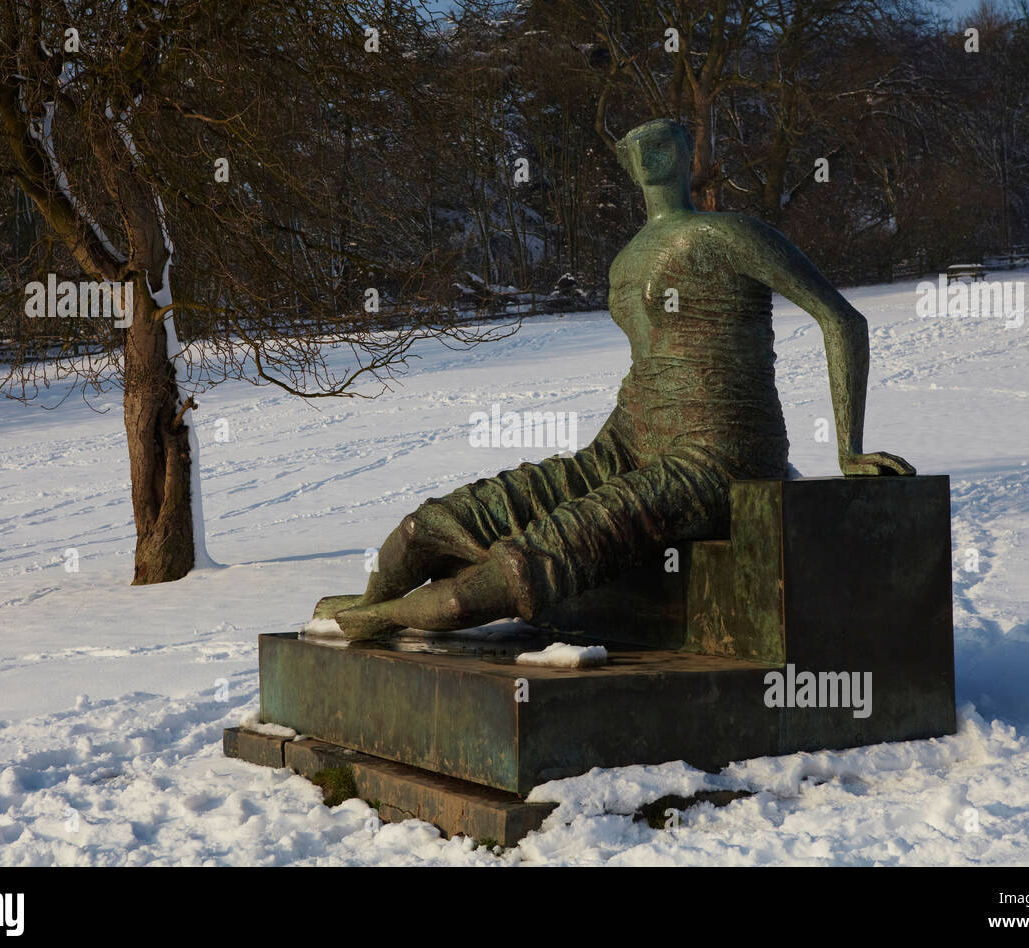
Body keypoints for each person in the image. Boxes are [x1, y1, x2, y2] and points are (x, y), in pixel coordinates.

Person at [318, 118, 913, 639]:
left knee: (509, 575)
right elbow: (649, 366)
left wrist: (849, 449)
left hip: (719, 454)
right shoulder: (626, 260)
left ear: (687, 151)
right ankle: (374, 601)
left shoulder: (730, 234)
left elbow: (841, 318)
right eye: (637, 143)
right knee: (424, 528)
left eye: (667, 135)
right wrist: (608, 448)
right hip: (627, 443)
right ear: (628, 163)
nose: (650, 144)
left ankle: (387, 618)